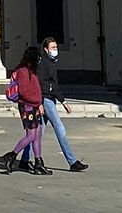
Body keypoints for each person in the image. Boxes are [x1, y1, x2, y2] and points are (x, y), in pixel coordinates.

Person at [36, 36, 87, 172]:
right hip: (46, 99)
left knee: (37, 132)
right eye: (53, 48)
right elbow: (40, 83)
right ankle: (72, 161)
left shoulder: (51, 62)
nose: (55, 50)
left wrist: (63, 101)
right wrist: (39, 102)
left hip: (50, 98)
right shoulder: (43, 63)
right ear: (46, 49)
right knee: (60, 128)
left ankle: (22, 158)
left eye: (56, 47)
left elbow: (55, 85)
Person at [1, 46, 48, 175]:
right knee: (31, 135)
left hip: (35, 106)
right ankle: (11, 155)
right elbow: (24, 92)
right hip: (27, 106)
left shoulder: (32, 71)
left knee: (37, 135)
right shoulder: (23, 71)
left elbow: (36, 89)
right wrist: (37, 102)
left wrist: (39, 104)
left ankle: (39, 162)